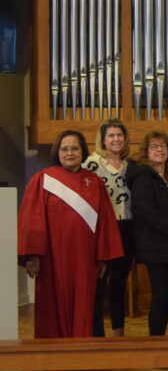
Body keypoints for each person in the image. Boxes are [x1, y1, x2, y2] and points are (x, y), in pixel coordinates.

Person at [18, 130, 123, 342]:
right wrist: (31, 255)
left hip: (84, 258)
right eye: (64, 149)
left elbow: (105, 221)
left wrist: (103, 256)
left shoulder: (94, 182)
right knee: (52, 304)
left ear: (82, 151)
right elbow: (32, 218)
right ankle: (53, 353)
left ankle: (81, 352)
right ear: (57, 152)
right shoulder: (44, 179)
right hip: (52, 259)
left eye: (74, 148)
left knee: (84, 304)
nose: (70, 153)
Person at [127, 131, 168, 336]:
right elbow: (150, 214)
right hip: (155, 247)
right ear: (146, 151)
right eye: (154, 146)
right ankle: (156, 341)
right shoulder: (143, 178)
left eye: (163, 146)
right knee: (161, 296)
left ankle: (163, 341)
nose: (159, 150)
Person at [83, 118, 132, 337]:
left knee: (119, 282)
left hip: (127, 227)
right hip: (103, 228)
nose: (116, 139)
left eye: (119, 135)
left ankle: (118, 331)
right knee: (99, 282)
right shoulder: (93, 163)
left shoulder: (130, 165)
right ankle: (97, 333)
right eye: (111, 135)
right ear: (103, 140)